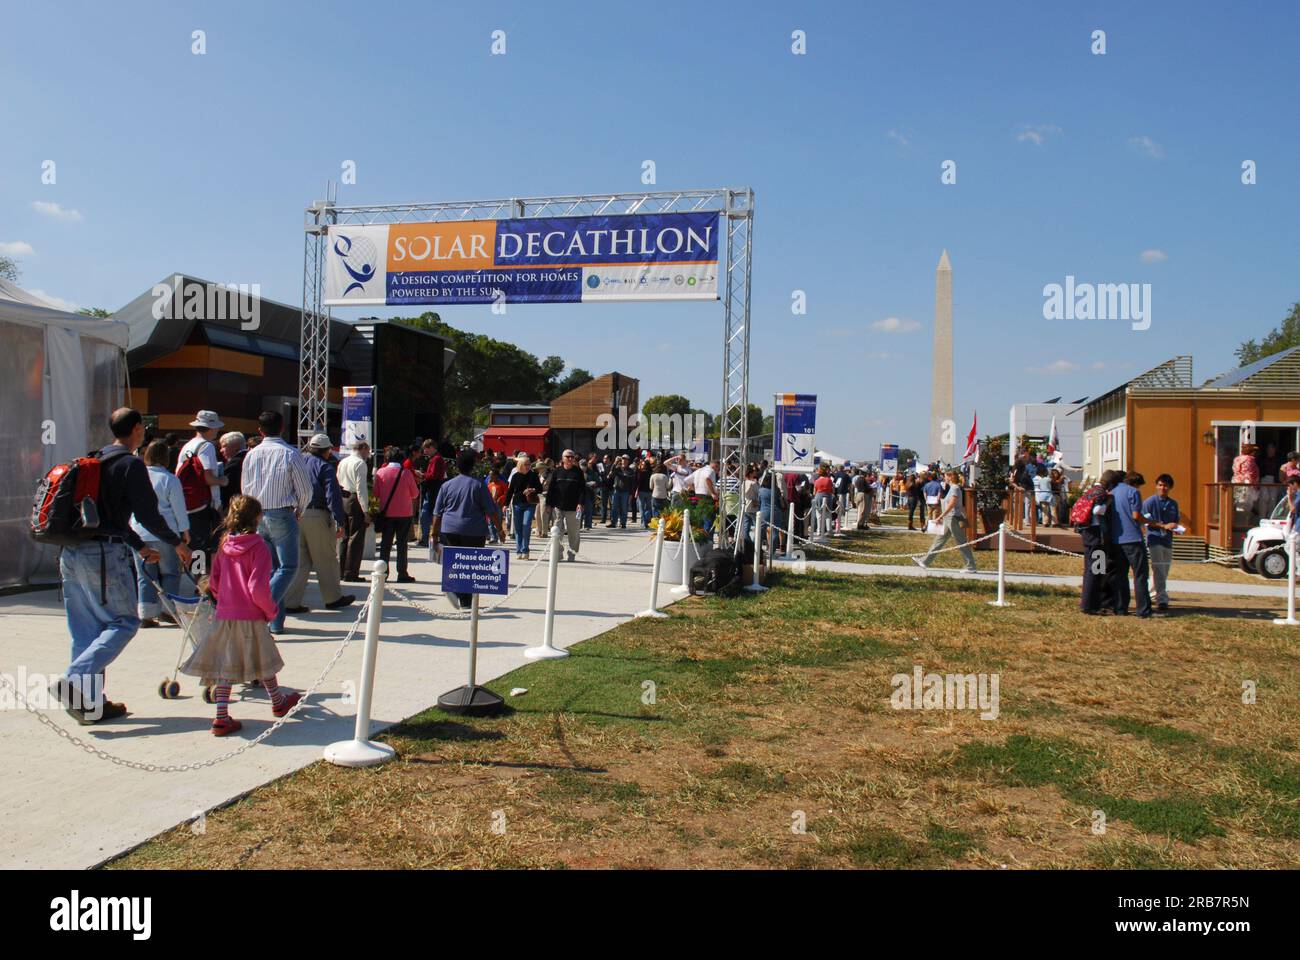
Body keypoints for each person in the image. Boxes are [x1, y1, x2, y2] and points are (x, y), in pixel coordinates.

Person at [56, 408, 192, 724]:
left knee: (85, 631)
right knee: (124, 622)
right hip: (102, 555)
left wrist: (141, 547)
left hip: (72, 552)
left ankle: (90, 705)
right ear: (137, 430)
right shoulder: (131, 464)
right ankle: (74, 677)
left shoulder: (95, 459)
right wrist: (177, 543)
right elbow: (147, 516)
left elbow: (110, 519)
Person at [180, 495, 303, 736]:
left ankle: (222, 716)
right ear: (259, 518)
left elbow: (213, 582)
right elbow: (257, 587)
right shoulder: (258, 547)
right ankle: (277, 701)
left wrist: (224, 599)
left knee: (227, 665)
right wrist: (269, 609)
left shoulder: (224, 545)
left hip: (225, 614)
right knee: (263, 659)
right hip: (251, 614)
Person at [239, 410, 313, 634]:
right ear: (282, 427)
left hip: (257, 514)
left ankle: (276, 623)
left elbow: (245, 487)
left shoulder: (251, 455)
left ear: (260, 431)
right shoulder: (290, 453)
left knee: (272, 570)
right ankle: (259, 607)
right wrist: (300, 508)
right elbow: (305, 489)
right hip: (281, 512)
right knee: (289, 567)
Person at [284, 434, 355, 614]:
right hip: (317, 513)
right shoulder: (325, 466)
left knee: (301, 561)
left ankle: (291, 601)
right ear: (326, 450)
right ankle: (333, 598)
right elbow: (332, 495)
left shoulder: (298, 462)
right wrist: (339, 520)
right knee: (326, 558)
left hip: (295, 513)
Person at [431, 448, 505, 609]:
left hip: (449, 528)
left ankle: (454, 589)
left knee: (454, 561)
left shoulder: (447, 485)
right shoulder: (479, 485)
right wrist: (500, 530)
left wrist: (434, 535)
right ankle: (465, 600)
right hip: (474, 530)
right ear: (472, 466)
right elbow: (491, 511)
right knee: (470, 566)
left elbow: (437, 513)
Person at [131, 439, 191, 628]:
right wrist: (184, 530)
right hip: (167, 533)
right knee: (170, 572)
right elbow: (179, 509)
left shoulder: (137, 476)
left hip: (139, 532)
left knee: (145, 574)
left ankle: (146, 614)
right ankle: (169, 611)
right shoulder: (170, 479)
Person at [175, 410, 229, 557]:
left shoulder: (187, 446)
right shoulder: (206, 446)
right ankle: (201, 578)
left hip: (187, 502)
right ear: (211, 428)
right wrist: (223, 481)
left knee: (195, 545)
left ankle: (197, 575)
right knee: (203, 547)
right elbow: (208, 478)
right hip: (202, 505)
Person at [914, 469, 977, 573]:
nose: (944, 478)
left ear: (951, 477)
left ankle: (970, 566)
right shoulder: (953, 488)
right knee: (939, 540)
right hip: (949, 518)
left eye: (945, 476)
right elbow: (960, 506)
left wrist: (940, 516)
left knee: (961, 542)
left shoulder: (955, 488)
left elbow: (952, 505)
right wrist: (965, 518)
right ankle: (925, 561)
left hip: (953, 518)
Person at [1109, 471, 1152, 618]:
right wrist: (1151, 522)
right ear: (1136, 483)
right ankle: (1143, 609)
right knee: (1140, 575)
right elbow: (1136, 515)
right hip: (1133, 539)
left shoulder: (1113, 492)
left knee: (1121, 575)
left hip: (1116, 539)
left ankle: (1120, 608)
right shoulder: (1133, 492)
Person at [373, 446, 419, 583]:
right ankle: (402, 573)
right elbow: (415, 494)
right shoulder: (406, 473)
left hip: (386, 513)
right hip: (404, 514)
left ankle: (383, 572)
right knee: (402, 544)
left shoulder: (380, 472)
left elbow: (376, 494)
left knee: (385, 544)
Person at [1076, 470, 1117, 615]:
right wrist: (1108, 503)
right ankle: (1091, 605)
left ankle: (1087, 603)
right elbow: (1097, 510)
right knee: (1096, 570)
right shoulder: (1102, 493)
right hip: (1096, 536)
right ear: (1111, 484)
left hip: (1086, 533)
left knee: (1089, 569)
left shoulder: (1091, 490)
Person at [1142, 473, 1180, 615]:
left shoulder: (1173, 504)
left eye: (1165, 485)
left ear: (1170, 487)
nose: (1162, 488)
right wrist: (1163, 526)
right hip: (1154, 539)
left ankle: (1151, 593)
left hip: (1167, 540)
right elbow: (1146, 521)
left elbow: (1175, 520)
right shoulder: (1149, 502)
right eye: (1160, 485)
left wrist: (1175, 527)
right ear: (1156, 485)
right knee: (1159, 568)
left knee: (1164, 570)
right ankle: (1162, 599)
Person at [336, 441, 371, 583]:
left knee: (344, 537)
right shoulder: (360, 464)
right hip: (354, 499)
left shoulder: (343, 461)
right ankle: (351, 572)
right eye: (368, 451)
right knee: (356, 538)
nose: (368, 454)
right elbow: (361, 488)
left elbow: (337, 481)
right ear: (363, 449)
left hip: (342, 498)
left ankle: (341, 570)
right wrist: (366, 510)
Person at [545, 449, 587, 561]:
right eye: (567, 457)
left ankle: (572, 554)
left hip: (574, 507)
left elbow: (582, 489)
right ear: (562, 458)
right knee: (557, 531)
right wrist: (548, 504)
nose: (570, 459)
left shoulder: (578, 472)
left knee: (574, 533)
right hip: (558, 507)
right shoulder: (557, 471)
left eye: (572, 457)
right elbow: (551, 489)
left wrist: (580, 503)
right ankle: (558, 554)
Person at [505, 454, 542, 558]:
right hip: (517, 504)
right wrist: (505, 504)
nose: (527, 466)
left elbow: (540, 489)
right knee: (518, 528)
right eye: (525, 464)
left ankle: (525, 549)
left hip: (529, 504)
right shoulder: (515, 476)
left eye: (529, 464)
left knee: (526, 526)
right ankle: (519, 550)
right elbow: (510, 491)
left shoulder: (533, 475)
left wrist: (532, 489)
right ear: (520, 465)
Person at [416, 439, 447, 547]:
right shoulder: (435, 459)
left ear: (432, 447)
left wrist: (422, 475)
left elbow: (433, 475)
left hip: (433, 490)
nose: (425, 451)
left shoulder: (436, 459)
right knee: (433, 514)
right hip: (434, 490)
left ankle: (425, 538)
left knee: (426, 515)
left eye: (426, 448)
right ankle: (438, 537)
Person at [217, 431, 247, 514]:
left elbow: (226, 490)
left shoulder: (235, 463)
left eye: (224, 446)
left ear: (235, 446)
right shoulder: (248, 457)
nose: (221, 450)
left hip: (235, 508)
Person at [609, 455, 635, 529]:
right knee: (614, 507)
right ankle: (613, 522)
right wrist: (615, 462)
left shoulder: (631, 471)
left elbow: (632, 484)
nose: (624, 461)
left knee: (624, 508)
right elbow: (612, 471)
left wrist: (631, 494)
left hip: (625, 492)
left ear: (628, 461)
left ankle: (623, 523)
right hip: (617, 490)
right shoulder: (618, 468)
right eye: (623, 459)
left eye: (626, 459)